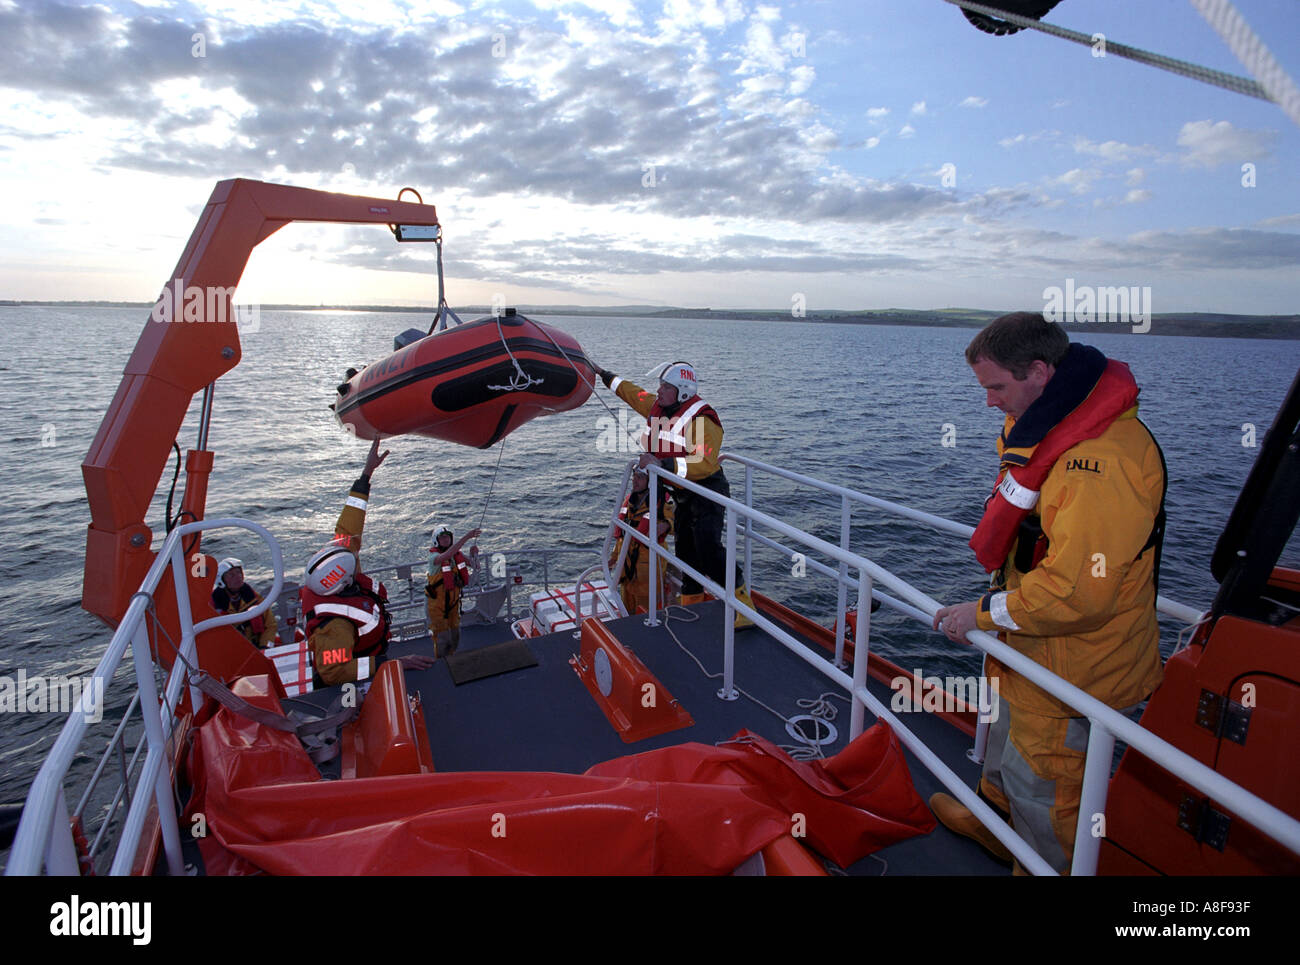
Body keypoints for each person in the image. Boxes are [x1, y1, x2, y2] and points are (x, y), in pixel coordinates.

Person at [931, 311, 1166, 874]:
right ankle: (997, 826)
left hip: (1077, 668)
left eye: (996, 387)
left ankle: (1043, 864)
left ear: (1039, 371)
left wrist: (981, 615)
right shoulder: (1056, 427)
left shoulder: (1102, 462)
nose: (988, 402)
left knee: (1047, 790)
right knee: (1005, 756)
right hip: (1032, 649)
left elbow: (1078, 595)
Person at [594, 360, 754, 627]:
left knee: (709, 550)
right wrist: (604, 375)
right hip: (682, 495)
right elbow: (634, 393)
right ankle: (691, 605)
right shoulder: (660, 407)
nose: (659, 392)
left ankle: (744, 607)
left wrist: (661, 465)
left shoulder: (703, 420)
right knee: (686, 554)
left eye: (665, 387)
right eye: (660, 386)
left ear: (682, 391)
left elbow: (703, 462)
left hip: (706, 493)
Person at [299, 439, 435, 687]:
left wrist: (367, 473)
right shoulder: (335, 628)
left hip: (369, 654)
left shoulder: (336, 571)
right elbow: (334, 671)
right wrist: (391, 664)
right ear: (344, 581)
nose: (354, 557)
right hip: (353, 680)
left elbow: (348, 526)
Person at [609, 466, 676, 614]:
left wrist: (665, 525)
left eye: (640, 477)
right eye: (634, 476)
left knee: (646, 613)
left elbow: (674, 523)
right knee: (625, 610)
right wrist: (614, 558)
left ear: (650, 481)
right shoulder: (630, 501)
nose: (635, 480)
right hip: (627, 571)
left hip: (647, 574)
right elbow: (623, 535)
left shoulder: (661, 503)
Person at [426, 524, 481, 658]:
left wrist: (474, 554)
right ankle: (441, 663)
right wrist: (468, 536)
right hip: (437, 605)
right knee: (442, 637)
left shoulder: (457, 555)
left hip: (453, 603)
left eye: (448, 537)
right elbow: (447, 555)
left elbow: (476, 566)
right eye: (442, 537)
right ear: (436, 541)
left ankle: (451, 658)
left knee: (455, 635)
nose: (446, 540)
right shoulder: (434, 558)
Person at [210, 557, 279, 649]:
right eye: (231, 575)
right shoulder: (213, 606)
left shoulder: (252, 597)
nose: (238, 576)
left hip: (257, 647)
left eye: (239, 572)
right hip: (232, 652)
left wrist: (265, 646)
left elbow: (270, 624)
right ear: (222, 581)